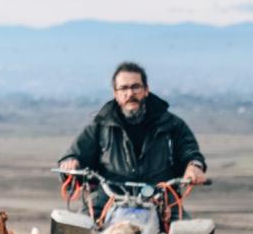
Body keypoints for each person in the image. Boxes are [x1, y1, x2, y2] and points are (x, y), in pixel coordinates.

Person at [58, 62, 207, 201]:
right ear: (115, 94)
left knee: (189, 229)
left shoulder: (171, 124)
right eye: (123, 88)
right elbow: (75, 154)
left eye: (135, 87)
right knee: (75, 227)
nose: (130, 93)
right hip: (109, 200)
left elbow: (190, 152)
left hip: (161, 199)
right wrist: (70, 163)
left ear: (146, 90)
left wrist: (194, 166)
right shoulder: (100, 125)